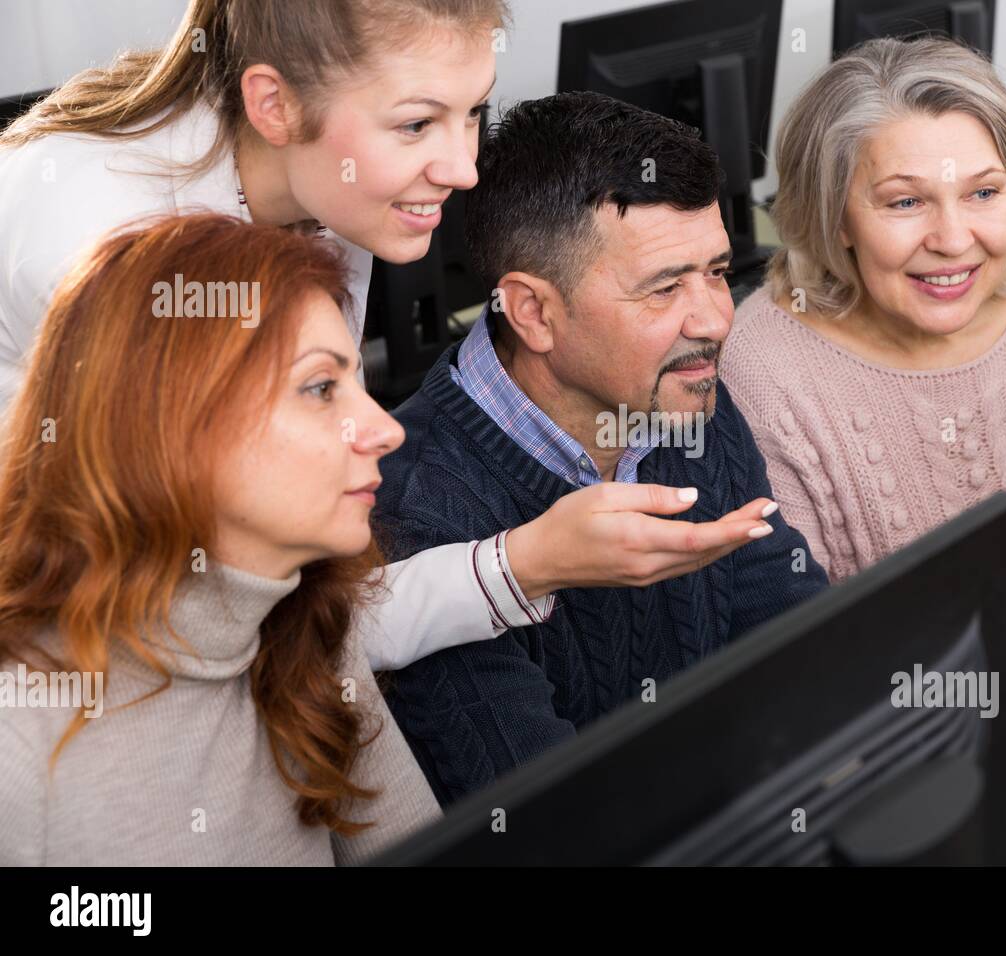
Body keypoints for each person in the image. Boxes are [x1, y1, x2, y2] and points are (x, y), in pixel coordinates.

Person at [0, 0, 770, 678]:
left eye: (473, 113)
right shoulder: (112, 256)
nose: (465, 168)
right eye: (416, 123)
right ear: (273, 105)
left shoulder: (330, 188)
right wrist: (526, 565)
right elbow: (256, 628)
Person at [373, 92, 829, 805]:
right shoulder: (414, 516)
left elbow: (800, 633)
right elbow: (552, 823)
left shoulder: (678, 391)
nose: (714, 317)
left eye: (715, 270)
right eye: (664, 287)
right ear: (533, 313)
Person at [718, 37, 1006, 725]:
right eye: (905, 203)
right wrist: (988, 662)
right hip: (895, 731)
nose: (954, 238)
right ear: (834, 215)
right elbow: (793, 633)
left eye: (984, 193)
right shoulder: (764, 369)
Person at [0, 214, 436, 865]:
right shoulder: (20, 735)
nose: (383, 430)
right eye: (321, 388)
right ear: (172, 425)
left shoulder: (306, 627)